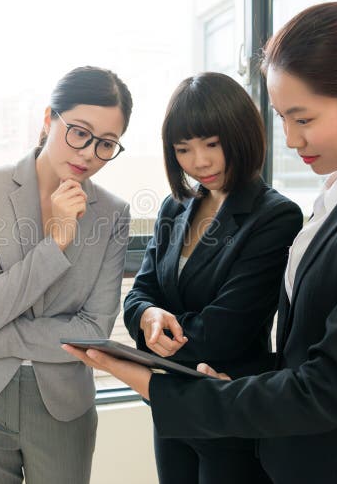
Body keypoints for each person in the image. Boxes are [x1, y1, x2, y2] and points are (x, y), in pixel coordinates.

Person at [64, 2, 337, 484]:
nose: (290, 139)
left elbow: (328, 387)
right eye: (283, 118)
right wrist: (235, 384)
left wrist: (160, 387)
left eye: (303, 119)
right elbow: (303, 355)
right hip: (296, 456)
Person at [0, 66, 133, 484]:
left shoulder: (113, 214)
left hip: (62, 407)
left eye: (106, 144)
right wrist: (56, 242)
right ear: (49, 119)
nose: (87, 153)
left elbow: (92, 331)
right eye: (79, 132)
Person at [122, 72, 302, 483]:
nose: (198, 162)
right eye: (183, 149)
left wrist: (155, 341)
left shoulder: (275, 216)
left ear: (239, 135)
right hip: (172, 407)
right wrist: (149, 316)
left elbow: (227, 331)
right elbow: (139, 295)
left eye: (211, 144)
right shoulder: (175, 207)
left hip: (229, 407)